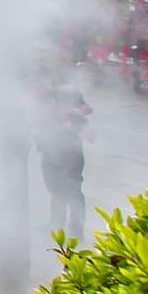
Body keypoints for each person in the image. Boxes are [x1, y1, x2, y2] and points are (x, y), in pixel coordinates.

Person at [38, 81, 93, 238]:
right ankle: (56, 223)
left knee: (72, 189)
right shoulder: (47, 98)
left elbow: (85, 115)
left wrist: (71, 119)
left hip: (69, 153)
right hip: (49, 149)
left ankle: (77, 229)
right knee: (56, 187)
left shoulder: (69, 94)